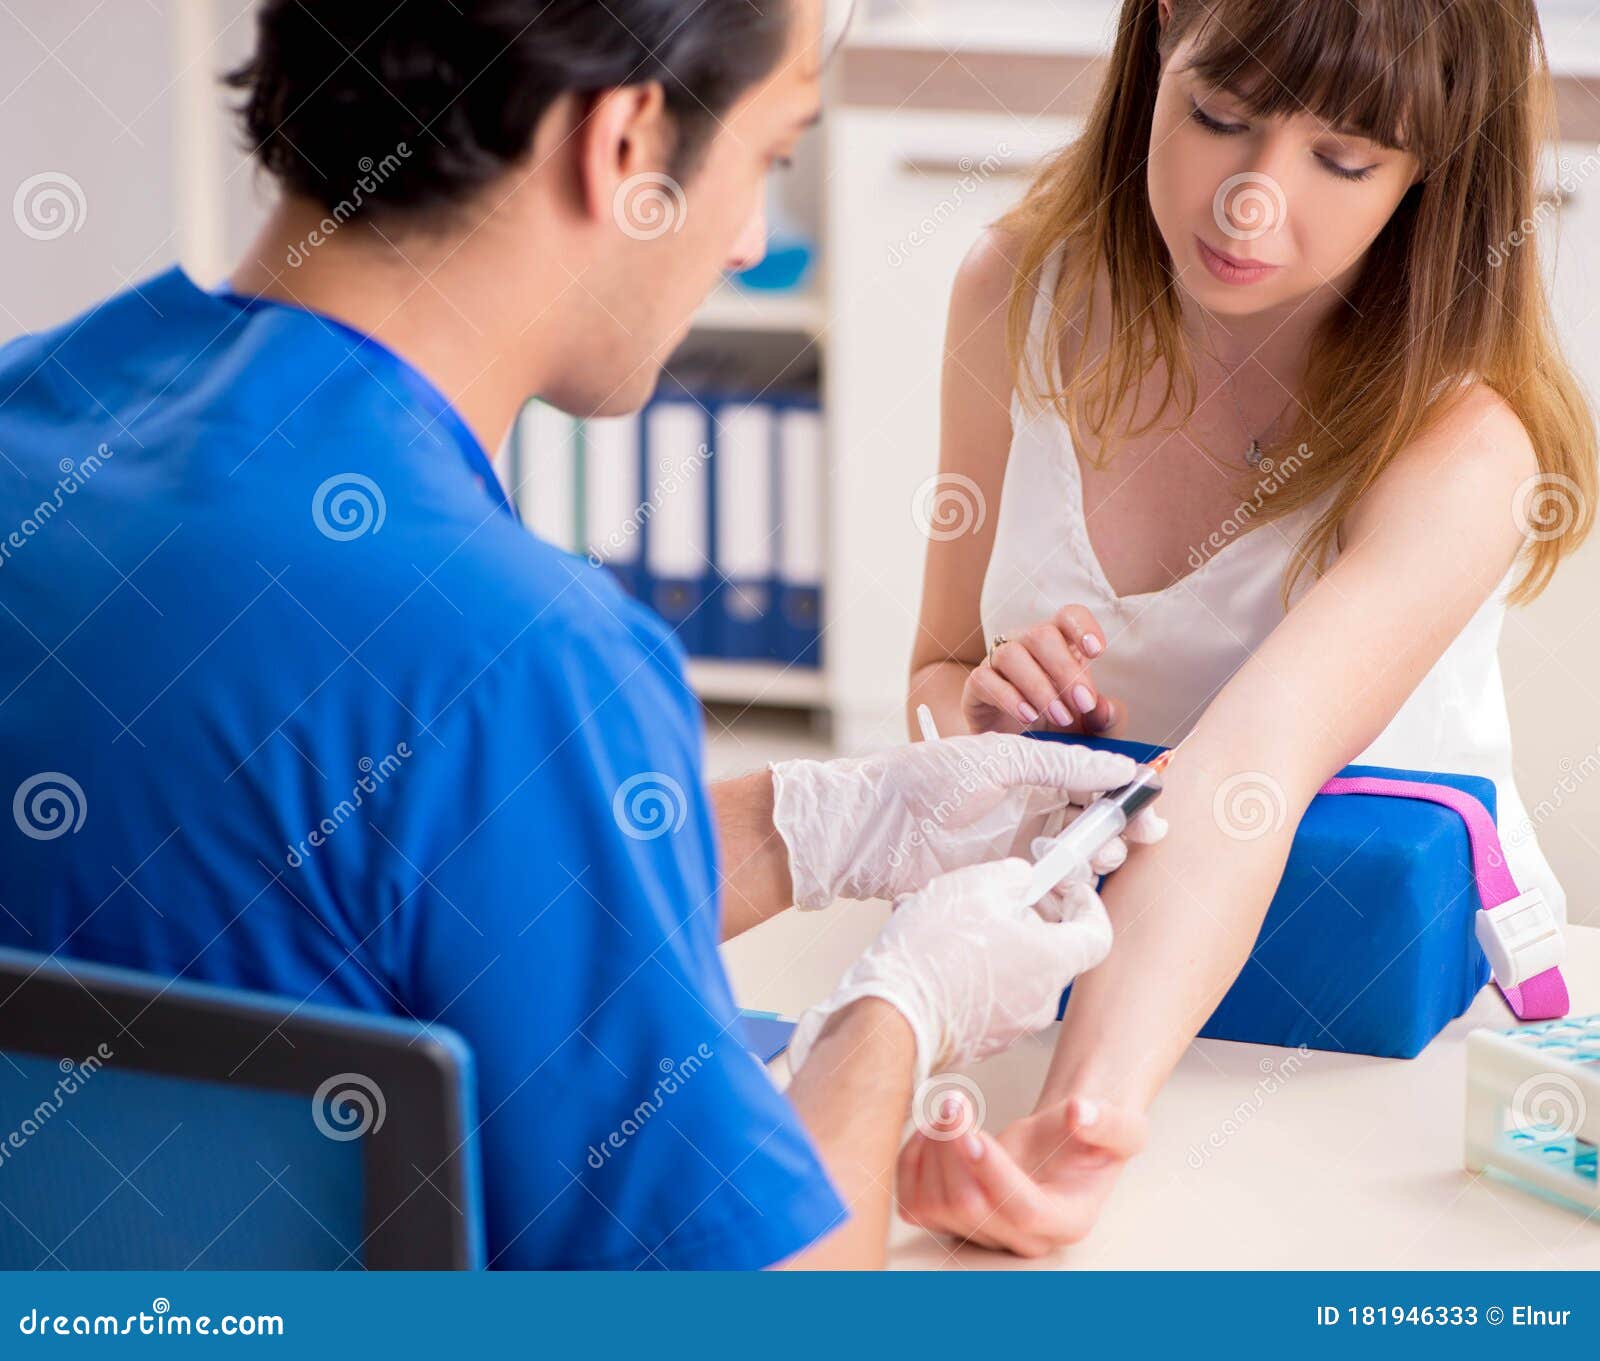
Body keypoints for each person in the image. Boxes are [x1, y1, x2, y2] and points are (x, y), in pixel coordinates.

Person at [0, 0, 1164, 1270]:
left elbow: (327, 892)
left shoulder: (38, 418)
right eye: (766, 163)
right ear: (623, 147)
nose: (744, 243)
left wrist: (811, 825)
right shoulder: (511, 650)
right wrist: (897, 1011)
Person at [904, 0, 1598, 1256]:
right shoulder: (1015, 290)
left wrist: (1082, 1123)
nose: (1249, 205)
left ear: (1432, 164)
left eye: (1343, 160)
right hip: (1047, 972)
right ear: (1157, 39)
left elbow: (1241, 780)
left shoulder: (1461, 436)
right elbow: (930, 674)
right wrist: (981, 706)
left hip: (1369, 1036)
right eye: (1217, 115)